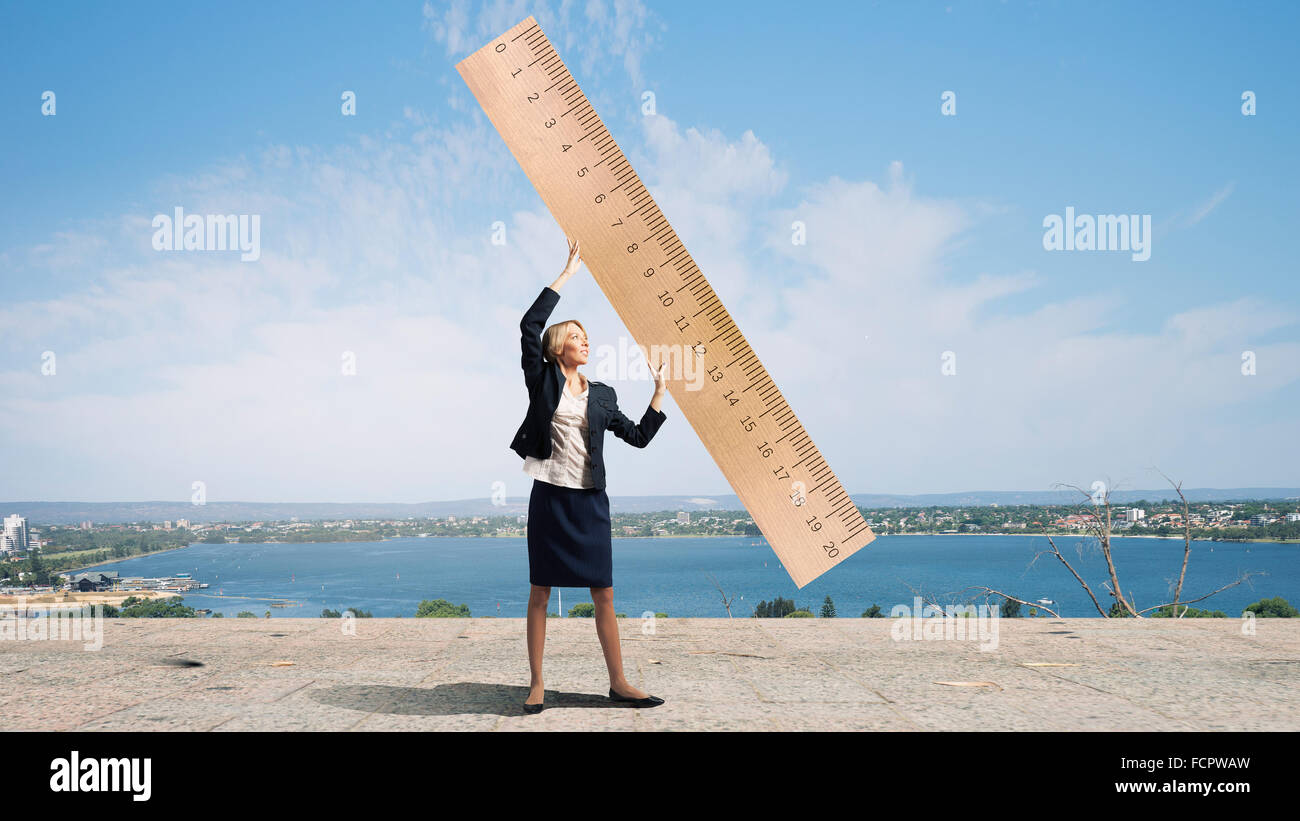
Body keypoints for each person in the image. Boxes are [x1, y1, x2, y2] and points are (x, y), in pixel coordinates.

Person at [509, 236, 669, 714]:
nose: (586, 343)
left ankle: (618, 681)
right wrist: (566, 276)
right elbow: (528, 325)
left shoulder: (602, 395)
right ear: (559, 346)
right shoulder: (543, 379)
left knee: (604, 592)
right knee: (541, 590)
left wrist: (659, 393)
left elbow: (638, 436)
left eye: (587, 338)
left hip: (591, 503)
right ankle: (537, 684)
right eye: (577, 337)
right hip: (550, 498)